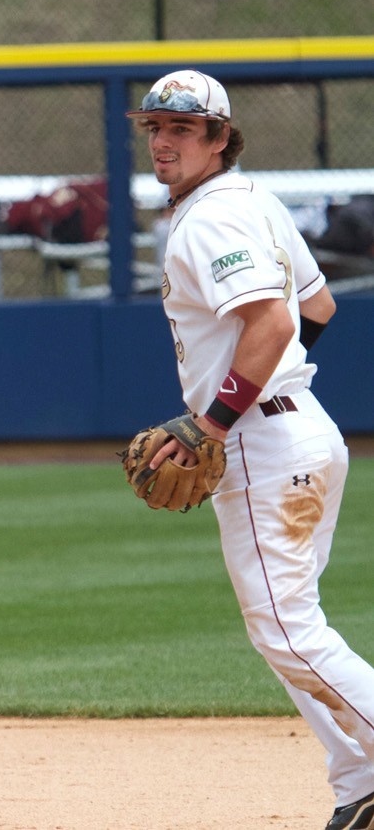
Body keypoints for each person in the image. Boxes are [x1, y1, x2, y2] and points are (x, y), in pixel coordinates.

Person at [129, 69, 374, 830]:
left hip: (266, 440)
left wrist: (215, 421)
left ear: (218, 138)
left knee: (285, 626)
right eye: (156, 128)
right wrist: (273, 395)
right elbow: (319, 306)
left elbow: (275, 324)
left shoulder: (212, 218)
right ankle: (360, 780)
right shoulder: (250, 201)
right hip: (293, 429)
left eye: (182, 129)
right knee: (286, 623)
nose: (164, 142)